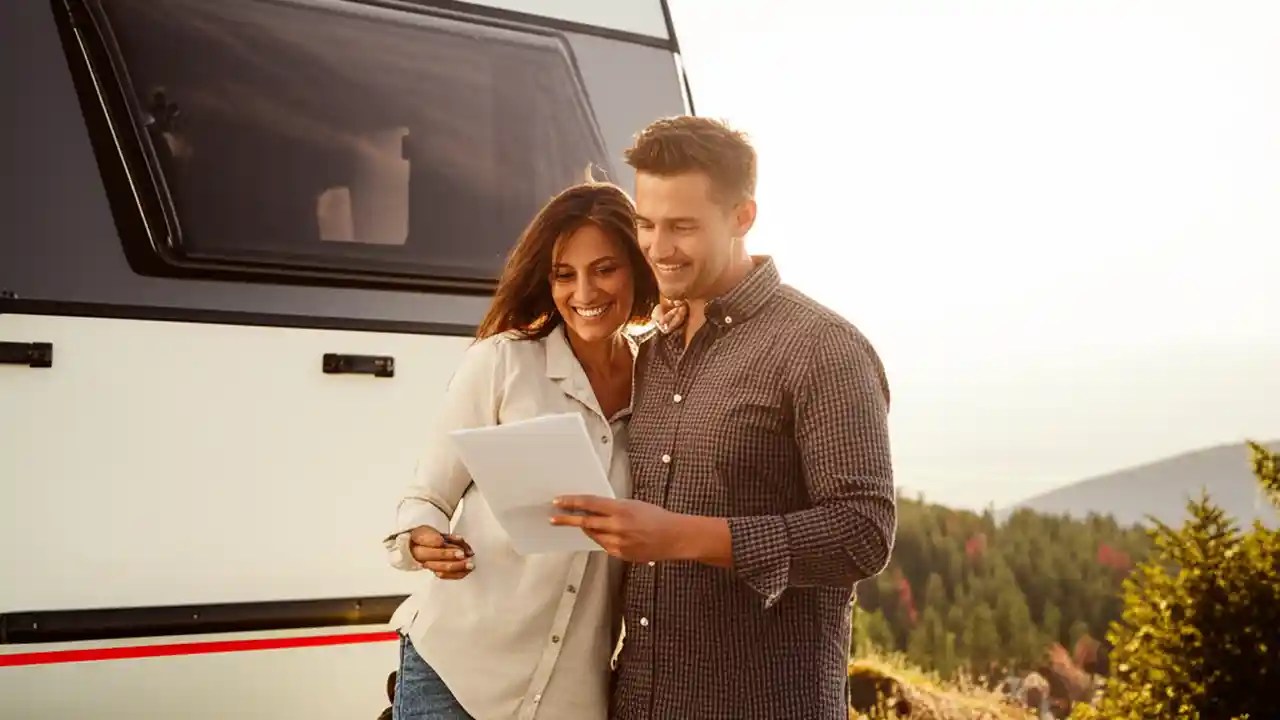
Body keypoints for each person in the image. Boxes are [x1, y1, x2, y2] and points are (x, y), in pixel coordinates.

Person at [551, 116, 898, 719]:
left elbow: (862, 532)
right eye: (647, 224)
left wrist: (683, 536)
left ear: (742, 217)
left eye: (682, 227)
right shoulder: (653, 350)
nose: (658, 248)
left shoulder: (823, 348)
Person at [382, 180, 685, 720]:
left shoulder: (663, 380)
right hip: (455, 672)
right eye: (564, 275)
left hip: (572, 694)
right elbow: (425, 495)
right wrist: (420, 539)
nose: (584, 293)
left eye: (604, 269)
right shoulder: (502, 363)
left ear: (637, 267)